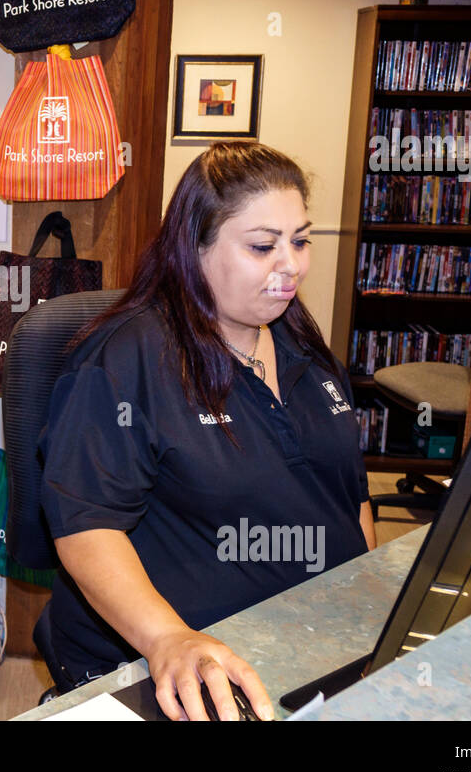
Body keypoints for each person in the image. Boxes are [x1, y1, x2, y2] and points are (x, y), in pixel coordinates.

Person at [37, 141, 376, 722]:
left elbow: (351, 496)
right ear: (194, 249)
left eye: (300, 241)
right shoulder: (126, 360)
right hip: (178, 656)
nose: (290, 265)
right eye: (263, 246)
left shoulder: (305, 346)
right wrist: (169, 637)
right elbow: (85, 527)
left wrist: (364, 605)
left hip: (310, 642)